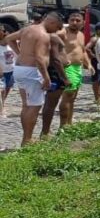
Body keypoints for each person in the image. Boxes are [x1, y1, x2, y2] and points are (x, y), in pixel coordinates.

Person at [8, 12, 63, 146]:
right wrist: (46, 77)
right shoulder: (43, 35)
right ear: (52, 23)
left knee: (26, 105)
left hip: (20, 69)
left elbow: (9, 38)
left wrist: (20, 53)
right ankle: (27, 139)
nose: (55, 32)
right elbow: (39, 58)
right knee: (34, 106)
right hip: (32, 71)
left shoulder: (28, 29)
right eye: (56, 28)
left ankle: (26, 138)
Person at [60, 13, 91, 127]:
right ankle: (63, 126)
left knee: (72, 98)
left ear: (83, 23)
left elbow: (82, 51)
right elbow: (54, 47)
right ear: (68, 20)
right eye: (72, 20)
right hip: (68, 68)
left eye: (78, 20)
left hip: (78, 68)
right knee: (68, 97)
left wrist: (89, 64)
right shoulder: (63, 32)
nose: (74, 22)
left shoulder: (81, 35)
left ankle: (69, 123)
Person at [38, 34, 68, 140]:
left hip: (55, 71)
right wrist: (64, 78)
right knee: (50, 103)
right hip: (55, 71)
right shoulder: (53, 38)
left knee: (50, 103)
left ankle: (46, 131)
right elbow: (55, 59)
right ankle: (45, 132)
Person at [0, 25, 15, 116]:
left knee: (7, 88)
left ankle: (2, 104)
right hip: (1, 72)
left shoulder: (12, 44)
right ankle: (1, 110)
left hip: (11, 71)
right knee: (2, 90)